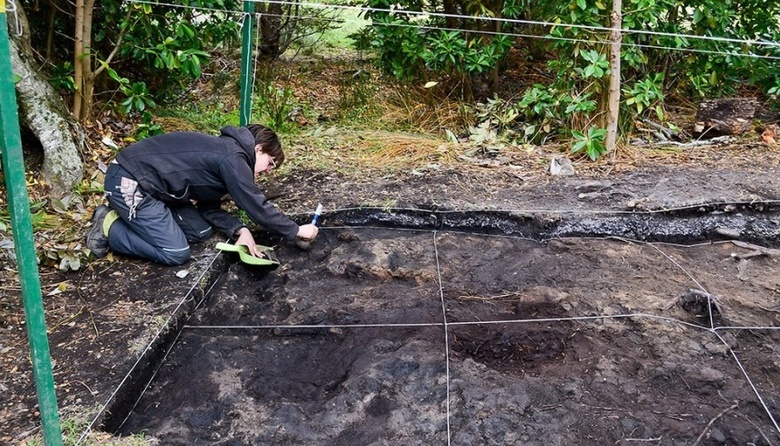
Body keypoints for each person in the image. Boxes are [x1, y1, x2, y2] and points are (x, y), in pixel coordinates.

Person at [85, 124, 318, 265]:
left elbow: (208, 206)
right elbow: (255, 203)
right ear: (258, 149)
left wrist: (240, 230)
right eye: (270, 162)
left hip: (160, 190)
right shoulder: (233, 159)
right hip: (129, 179)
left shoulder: (228, 155)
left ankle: (148, 220)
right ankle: (109, 224)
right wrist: (295, 230)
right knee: (175, 252)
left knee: (201, 231)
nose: (268, 171)